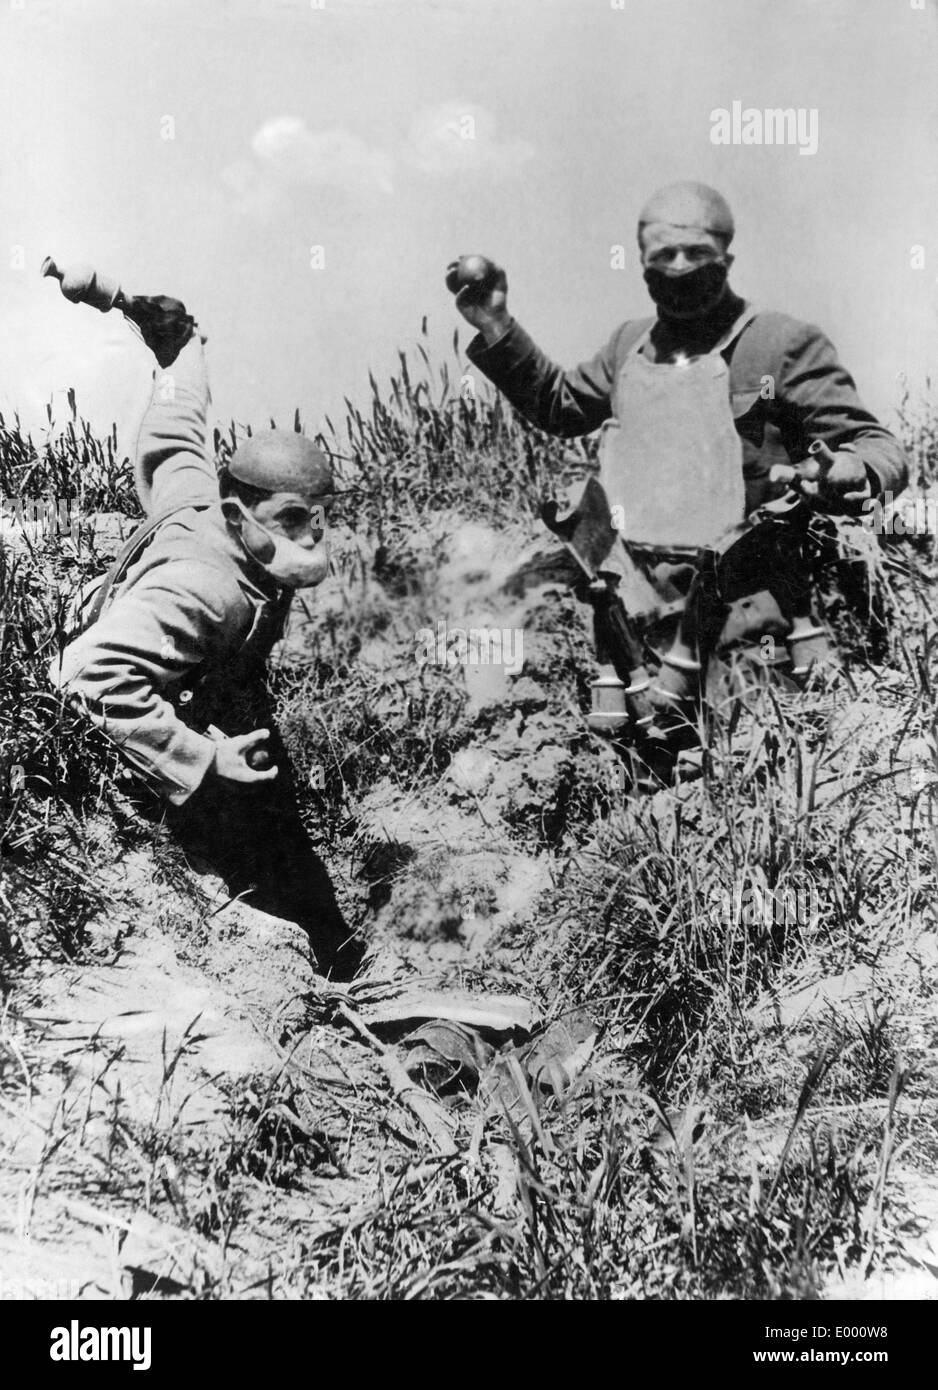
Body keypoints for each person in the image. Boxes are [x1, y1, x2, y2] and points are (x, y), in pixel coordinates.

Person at [448, 181, 909, 720]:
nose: (681, 266)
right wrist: (495, 323)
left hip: (750, 615)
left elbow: (877, 446)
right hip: (635, 611)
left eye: (697, 253)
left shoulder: (779, 344)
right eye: (664, 255)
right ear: (643, 264)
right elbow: (561, 407)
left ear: (727, 258)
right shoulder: (629, 346)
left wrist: (853, 470)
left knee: (738, 766)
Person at [49, 297, 360, 980]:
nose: (312, 536)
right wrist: (198, 756)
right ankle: (313, 956)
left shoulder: (200, 493)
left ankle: (330, 941)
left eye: (322, 517)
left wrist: (181, 346)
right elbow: (82, 677)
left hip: (204, 681)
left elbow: (175, 431)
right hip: (139, 697)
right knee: (254, 819)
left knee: (273, 797)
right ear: (235, 513)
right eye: (293, 518)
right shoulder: (205, 587)